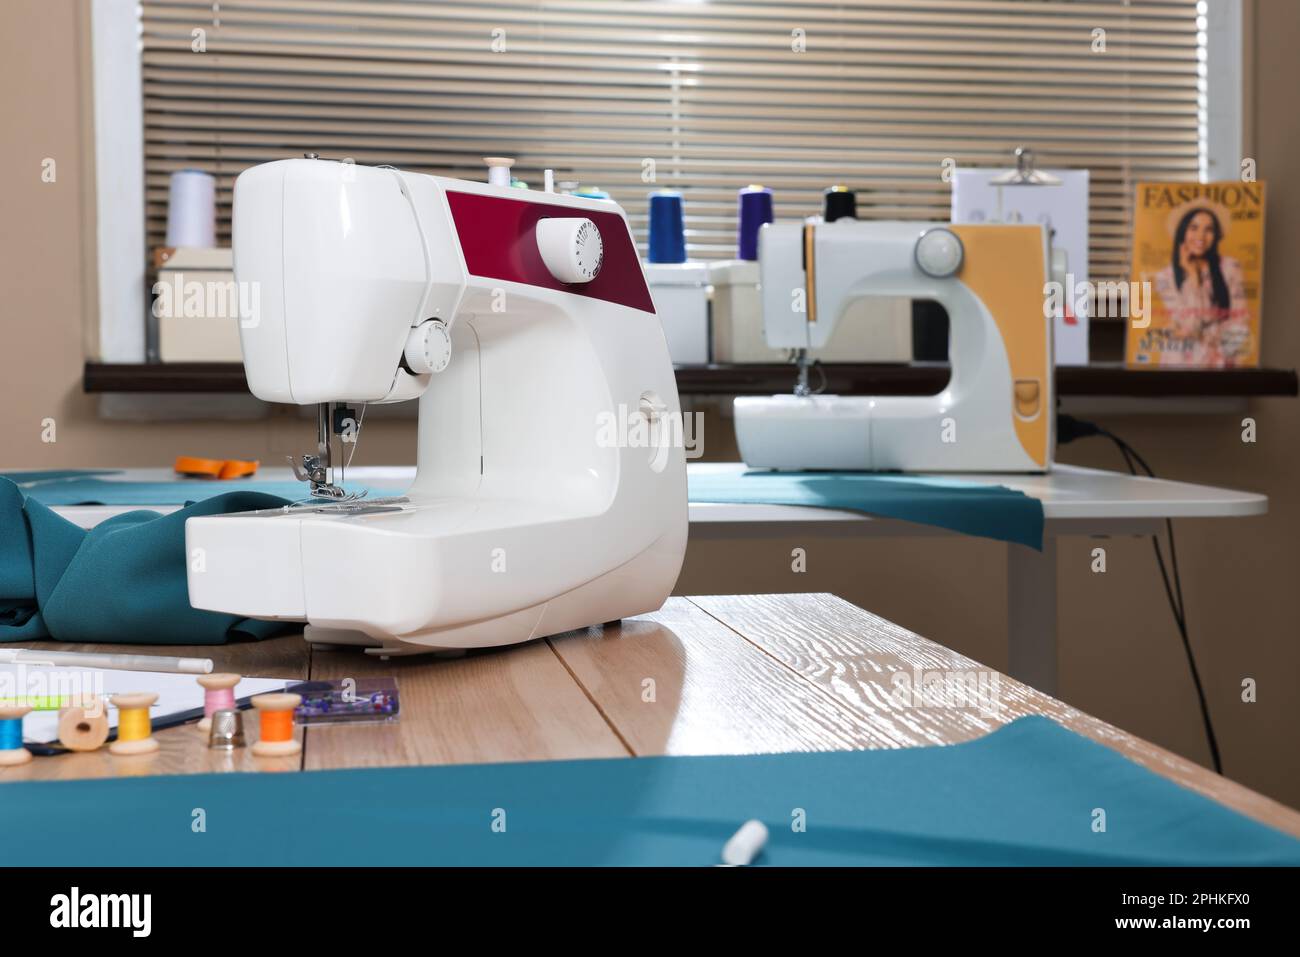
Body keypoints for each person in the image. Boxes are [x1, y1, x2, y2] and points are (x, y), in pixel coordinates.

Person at [1153, 207, 1249, 366]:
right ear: (1182, 232)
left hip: (1219, 363)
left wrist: (1205, 339)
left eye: (1209, 229)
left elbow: (1240, 321)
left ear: (1216, 235)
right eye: (1194, 228)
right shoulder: (1165, 277)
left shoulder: (1230, 268)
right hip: (1178, 363)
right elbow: (1191, 323)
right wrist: (1193, 276)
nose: (1201, 236)